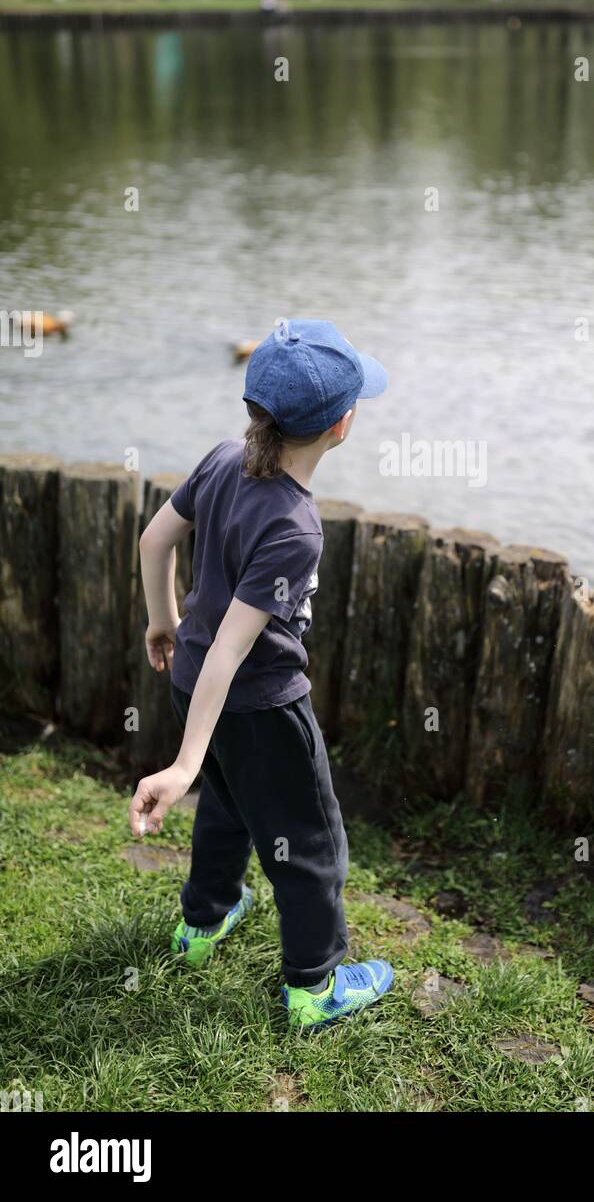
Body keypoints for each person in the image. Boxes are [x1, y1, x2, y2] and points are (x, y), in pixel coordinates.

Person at [129, 318, 393, 1030]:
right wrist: (182, 762)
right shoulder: (295, 526)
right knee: (311, 840)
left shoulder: (222, 458)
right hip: (260, 704)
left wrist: (162, 622)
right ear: (343, 424)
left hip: (197, 680)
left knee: (228, 808)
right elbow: (234, 650)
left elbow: (155, 539)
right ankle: (314, 988)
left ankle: (203, 924)